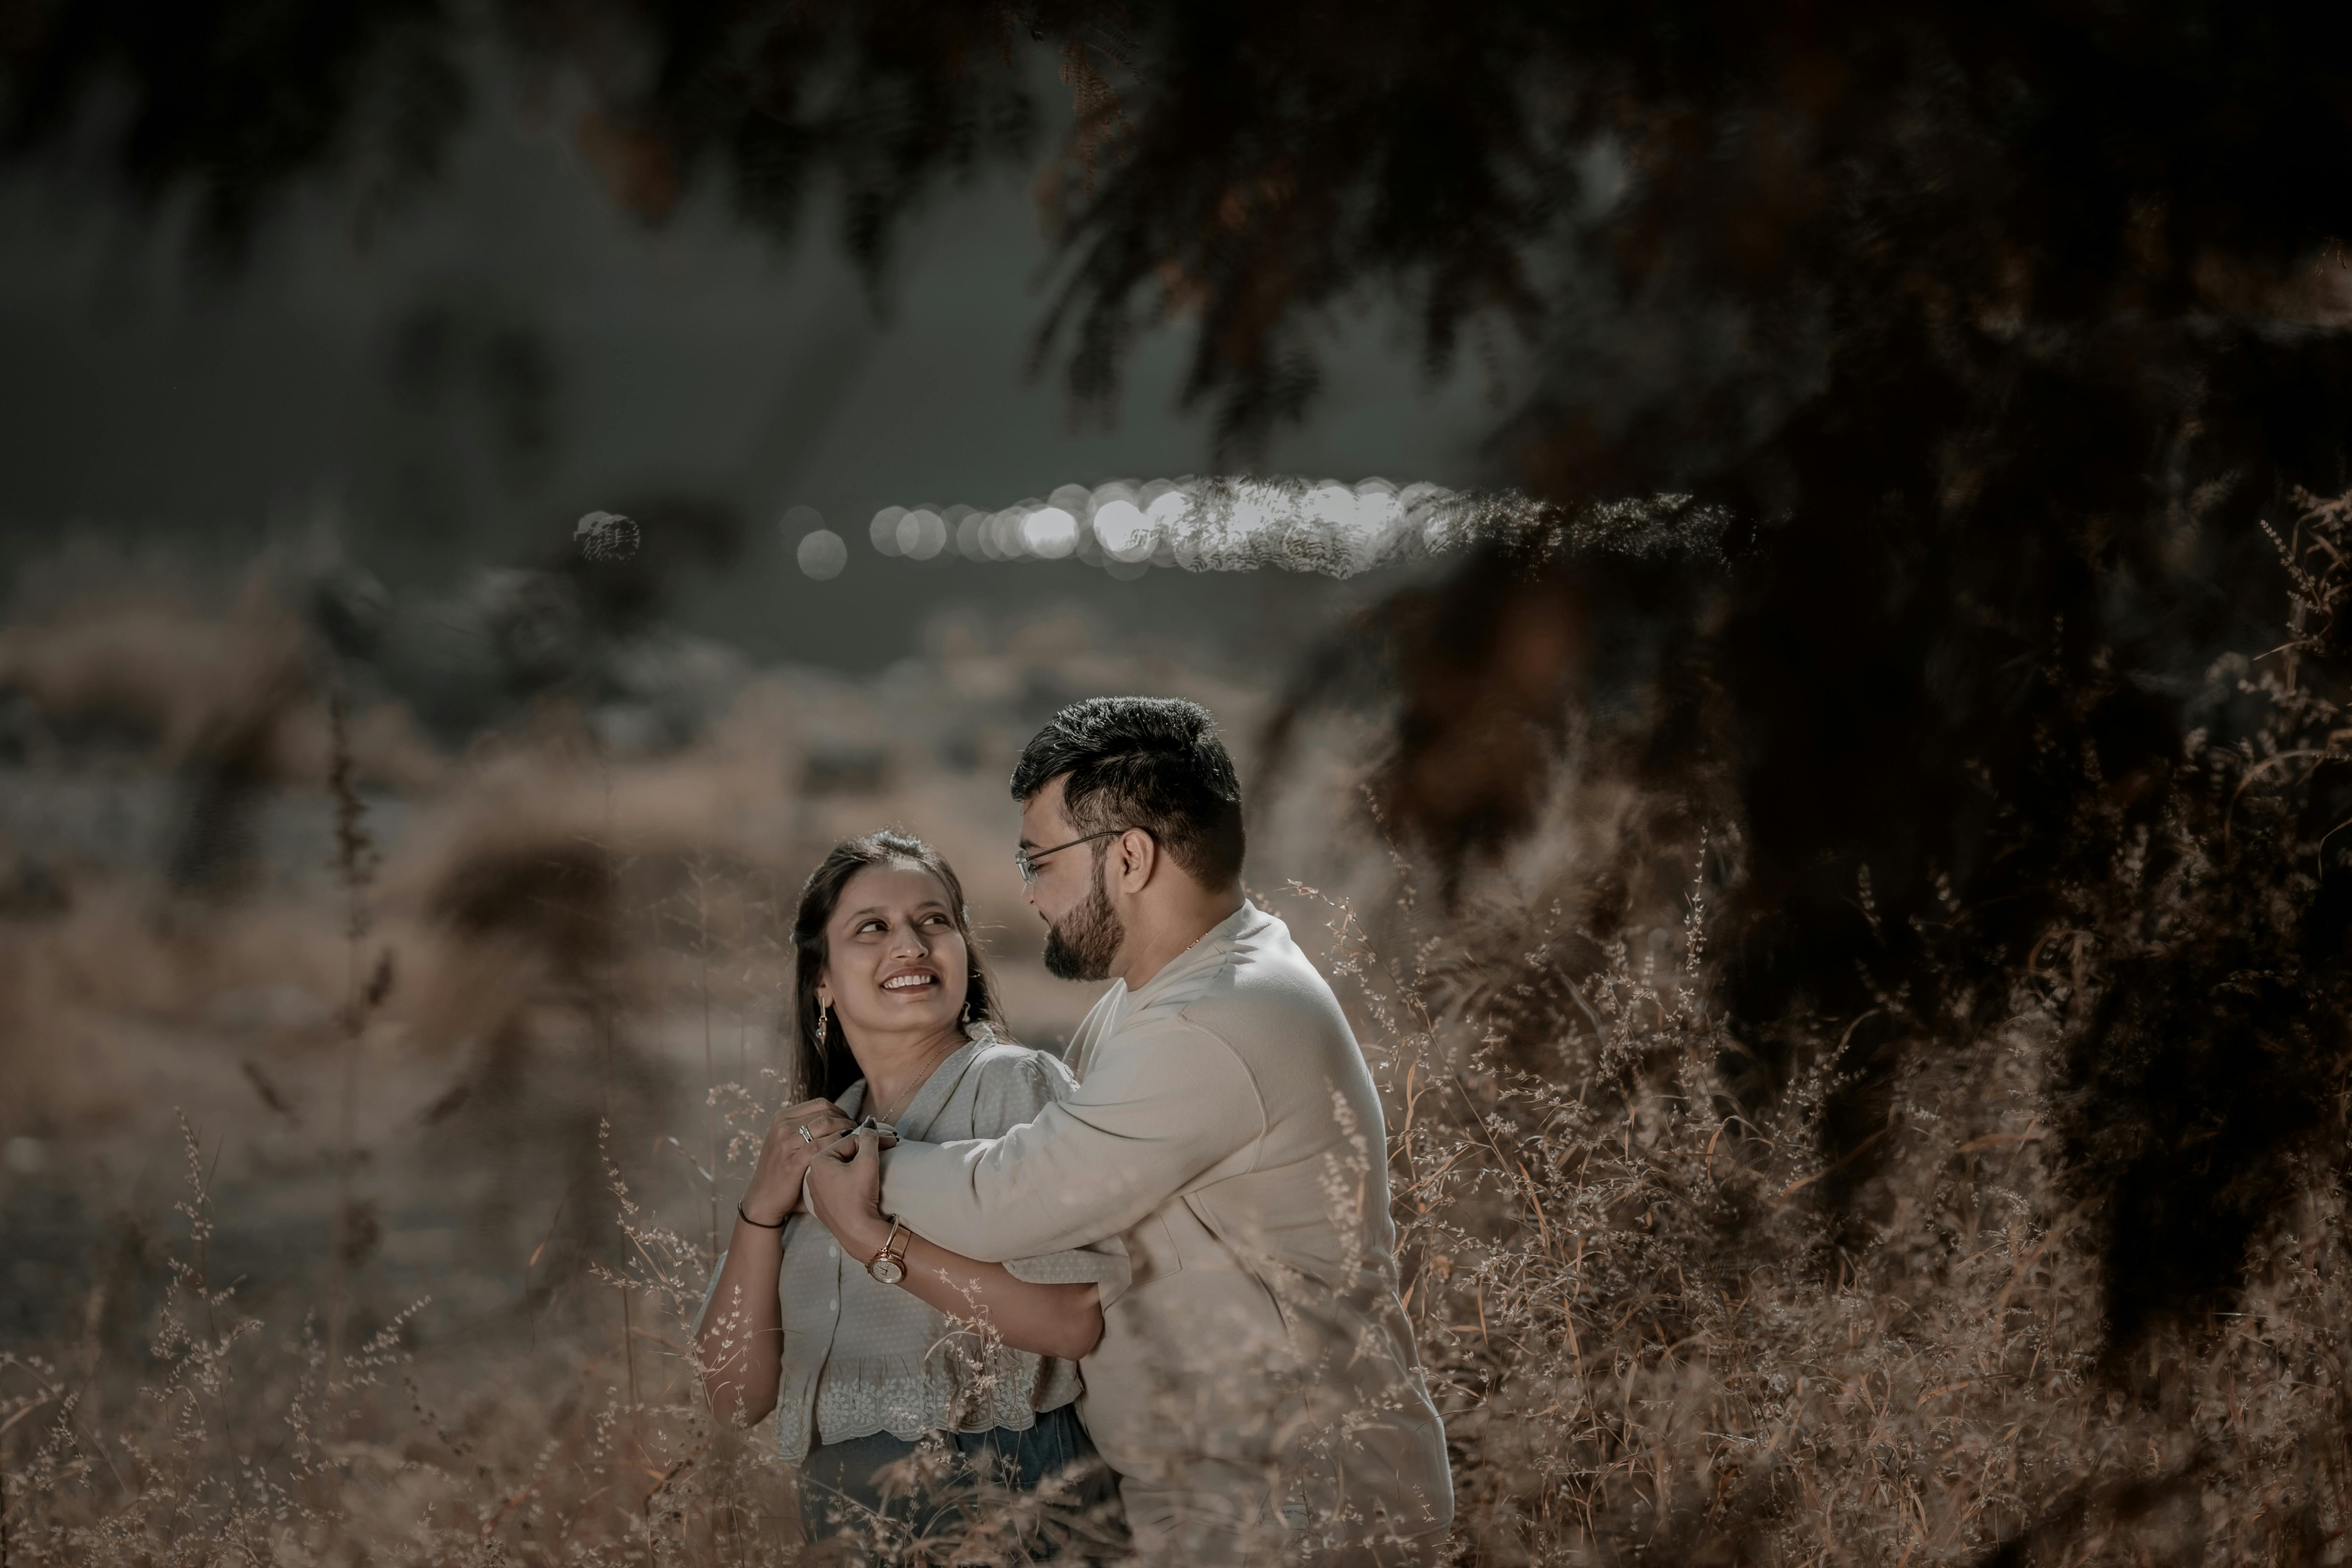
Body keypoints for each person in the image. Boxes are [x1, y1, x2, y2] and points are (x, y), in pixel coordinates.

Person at [860, 697, 1455, 1565]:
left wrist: (851, 1169)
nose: (1028, 890)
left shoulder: (1213, 1020)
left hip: (1303, 1509)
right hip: (1221, 1496)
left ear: (1130, 856)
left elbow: (1012, 1196)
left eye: (1038, 860)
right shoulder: (1171, 992)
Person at [695, 829, 1128, 1560]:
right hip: (843, 1518)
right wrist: (760, 1211)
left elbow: (1074, 1321)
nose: (912, 943)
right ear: (822, 981)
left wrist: (874, 1241)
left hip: (1007, 1487)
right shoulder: (818, 1140)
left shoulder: (1014, 1086)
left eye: (936, 920)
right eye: (872, 927)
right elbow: (732, 1396)